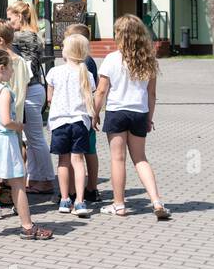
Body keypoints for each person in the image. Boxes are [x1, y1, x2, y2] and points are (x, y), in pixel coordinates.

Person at [0, 49, 54, 241]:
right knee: (18, 183)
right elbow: (6, 120)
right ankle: (28, 226)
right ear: (1, 68)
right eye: (11, 68)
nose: (13, 71)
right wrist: (19, 125)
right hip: (4, 140)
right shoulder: (4, 91)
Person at [94, 14, 169, 219]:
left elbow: (101, 91)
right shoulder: (149, 60)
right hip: (139, 113)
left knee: (118, 159)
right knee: (140, 159)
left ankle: (119, 205)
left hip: (117, 112)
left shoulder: (112, 59)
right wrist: (149, 118)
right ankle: (156, 201)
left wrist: (94, 113)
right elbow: (152, 94)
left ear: (119, 35)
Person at [0, 20, 30, 221]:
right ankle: (16, 204)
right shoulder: (20, 62)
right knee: (16, 165)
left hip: (1, 121)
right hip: (13, 119)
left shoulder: (4, 65)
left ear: (0, 40)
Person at [7, 1, 55, 193]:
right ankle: (36, 178)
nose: (8, 23)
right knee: (32, 139)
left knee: (35, 139)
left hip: (29, 90)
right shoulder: (33, 34)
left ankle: (46, 179)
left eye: (10, 19)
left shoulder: (21, 36)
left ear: (19, 16)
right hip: (34, 89)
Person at [46, 33, 94, 218]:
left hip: (60, 122)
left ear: (66, 51)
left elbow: (50, 98)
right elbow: (91, 96)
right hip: (80, 121)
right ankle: (80, 201)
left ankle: (65, 198)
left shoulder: (54, 72)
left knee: (63, 162)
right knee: (78, 161)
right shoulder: (87, 74)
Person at [62, 23, 101, 202]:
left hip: (78, 114)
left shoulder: (82, 63)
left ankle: (72, 191)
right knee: (89, 151)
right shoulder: (89, 61)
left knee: (74, 155)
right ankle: (92, 188)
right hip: (86, 113)